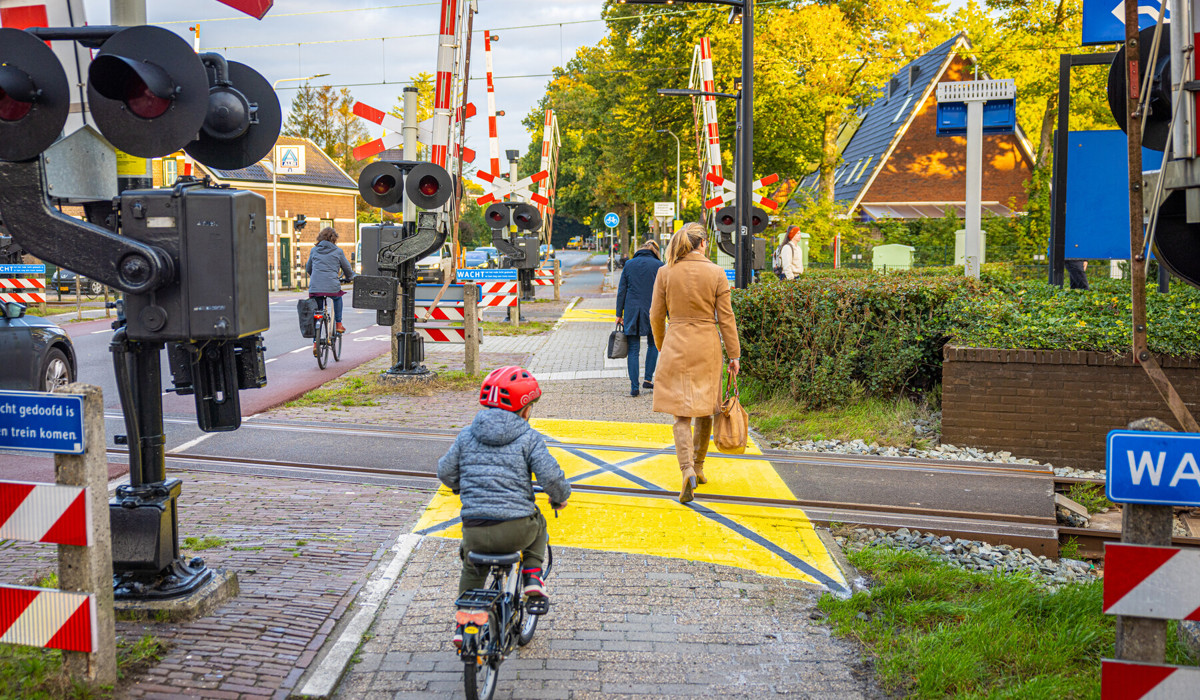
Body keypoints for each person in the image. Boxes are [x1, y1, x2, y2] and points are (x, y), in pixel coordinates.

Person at [437, 366, 571, 646]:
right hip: (516, 530)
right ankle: (532, 576)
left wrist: (461, 486)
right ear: (526, 410)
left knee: (472, 566)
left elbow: (446, 472)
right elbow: (551, 477)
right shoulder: (529, 438)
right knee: (539, 523)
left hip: (475, 529)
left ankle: (465, 622)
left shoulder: (466, 435)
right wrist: (559, 497)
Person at [649, 223, 741, 503]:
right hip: (706, 345)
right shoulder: (716, 272)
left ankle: (686, 469)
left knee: (681, 415)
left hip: (676, 341)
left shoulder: (665, 272)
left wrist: (662, 343)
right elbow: (726, 317)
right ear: (702, 243)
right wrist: (734, 354)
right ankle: (699, 467)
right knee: (705, 409)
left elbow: (656, 314)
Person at [616, 240, 663, 396]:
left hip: (632, 311)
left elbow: (622, 291)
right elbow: (665, 292)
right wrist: (669, 314)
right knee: (653, 344)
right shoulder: (660, 266)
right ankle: (648, 379)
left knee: (633, 349)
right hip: (653, 311)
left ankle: (634, 387)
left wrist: (619, 314)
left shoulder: (629, 264)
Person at [305, 227, 354, 351]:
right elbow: (347, 269)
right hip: (332, 286)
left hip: (315, 287)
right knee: (337, 298)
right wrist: (349, 278)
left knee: (317, 313)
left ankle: (315, 343)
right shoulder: (338, 251)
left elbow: (308, 268)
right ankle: (338, 324)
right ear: (334, 239)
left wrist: (315, 277)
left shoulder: (314, 250)